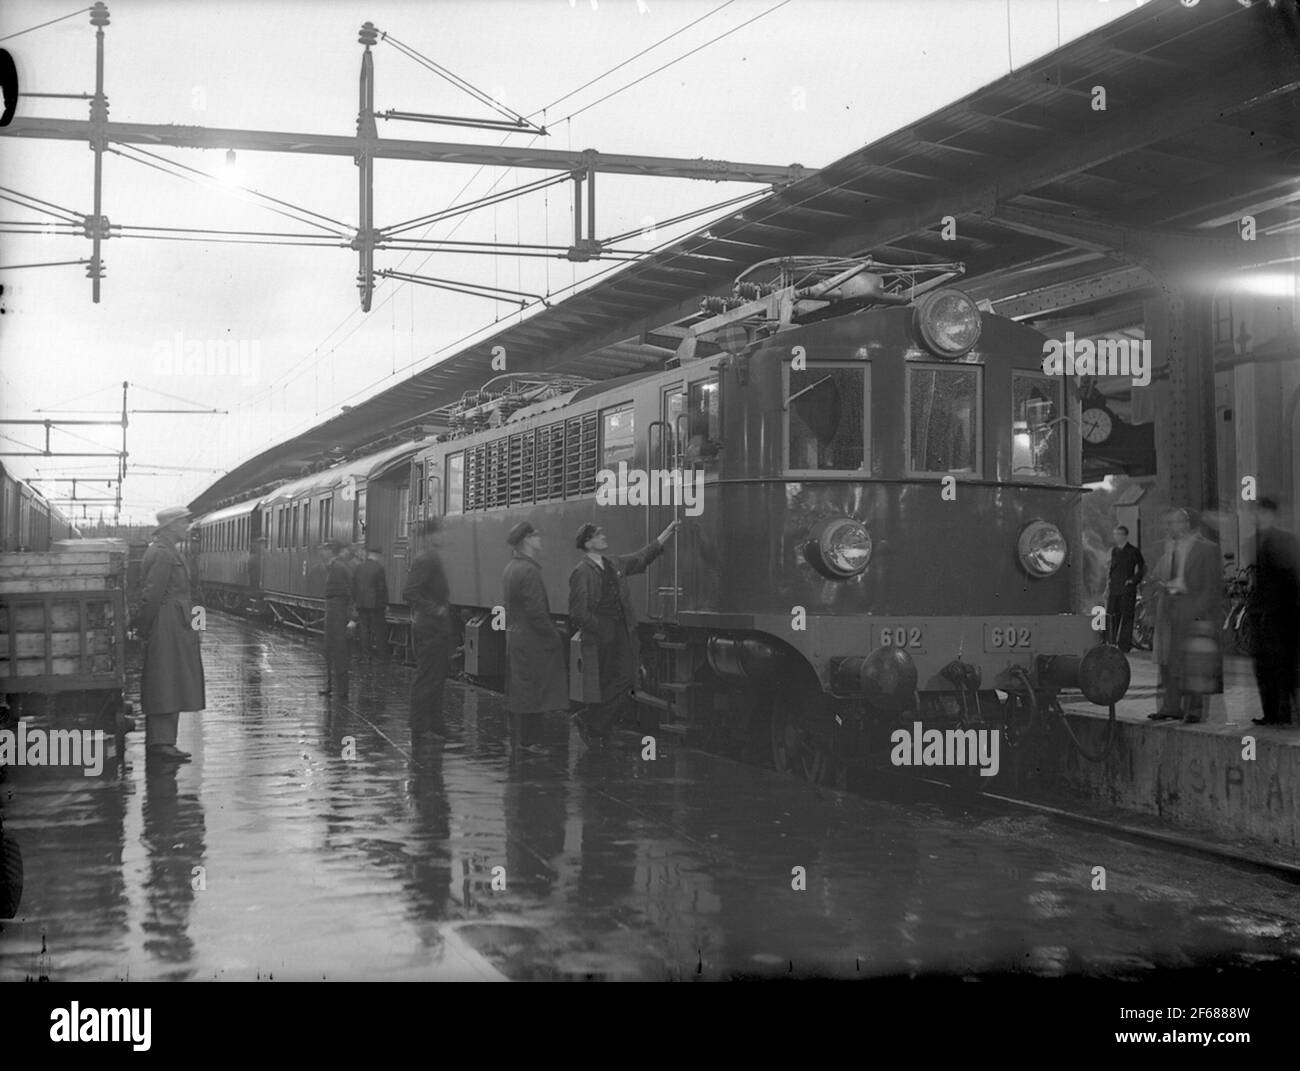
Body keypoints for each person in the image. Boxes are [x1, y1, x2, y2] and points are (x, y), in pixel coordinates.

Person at [568, 519, 680, 745]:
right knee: (606, 681)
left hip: (620, 631)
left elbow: (640, 557)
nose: (603, 536)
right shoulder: (582, 572)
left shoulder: (613, 563)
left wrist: (665, 535)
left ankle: (591, 721)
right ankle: (599, 729)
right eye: (598, 535)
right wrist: (601, 628)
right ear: (588, 543)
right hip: (601, 635)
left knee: (625, 678)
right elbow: (578, 612)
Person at [137, 506, 206, 763]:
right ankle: (161, 742)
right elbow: (152, 594)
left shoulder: (169, 551)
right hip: (167, 624)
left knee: (172, 680)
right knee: (165, 680)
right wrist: (144, 627)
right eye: (183, 523)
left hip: (176, 623)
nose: (187, 527)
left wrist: (196, 625)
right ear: (171, 526)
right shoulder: (162, 553)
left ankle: (165, 741)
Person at [1148, 507, 1221, 723]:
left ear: (1186, 523)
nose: (1170, 527)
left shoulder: (1207, 549)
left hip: (1194, 611)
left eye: (1174, 523)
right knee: (1171, 662)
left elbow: (1211, 586)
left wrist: (1196, 611)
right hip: (1172, 608)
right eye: (1168, 523)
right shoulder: (1169, 549)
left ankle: (1194, 710)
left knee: (1194, 662)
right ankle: (1170, 707)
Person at [502, 522, 568, 754]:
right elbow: (536, 612)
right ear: (526, 540)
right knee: (535, 689)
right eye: (536, 535)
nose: (540, 539)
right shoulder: (529, 571)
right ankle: (530, 741)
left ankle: (521, 739)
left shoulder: (511, 567)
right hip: (532, 638)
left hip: (518, 636)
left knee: (522, 688)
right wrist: (553, 635)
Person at [1249, 497, 1299, 727]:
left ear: (1270, 514)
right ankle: (1271, 713)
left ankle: (1282, 713)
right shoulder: (1258, 540)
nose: (1257, 516)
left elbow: (1292, 581)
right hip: (1264, 615)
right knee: (1264, 666)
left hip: (1280, 617)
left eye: (1260, 512)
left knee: (1281, 667)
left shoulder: (1284, 540)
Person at [403, 518, 453, 732]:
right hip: (429, 627)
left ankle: (435, 725)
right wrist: (435, 609)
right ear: (431, 536)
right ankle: (420, 727)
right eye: (440, 532)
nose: (444, 535)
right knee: (427, 678)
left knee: (436, 678)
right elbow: (409, 592)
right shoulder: (426, 559)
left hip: (435, 627)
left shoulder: (431, 557)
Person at [318, 540, 354, 697]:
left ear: (331, 552)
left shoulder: (339, 568)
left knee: (339, 652)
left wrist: (351, 618)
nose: (322, 552)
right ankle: (332, 686)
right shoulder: (334, 567)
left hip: (338, 614)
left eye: (325, 550)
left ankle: (341, 690)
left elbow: (350, 593)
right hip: (333, 612)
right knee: (329, 650)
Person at [1105, 524, 1146, 652]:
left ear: (1124, 535)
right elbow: (1112, 569)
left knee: (1127, 617)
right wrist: (1108, 585)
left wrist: (1133, 580)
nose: (1116, 537)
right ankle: (1110, 642)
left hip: (1127, 589)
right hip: (1114, 588)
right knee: (1112, 615)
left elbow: (1142, 567)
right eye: (1115, 534)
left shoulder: (1133, 551)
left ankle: (1124, 645)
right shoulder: (1115, 551)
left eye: (1118, 534)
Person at [352, 546, 389, 663]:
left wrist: (356, 601)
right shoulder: (379, 568)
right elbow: (381, 588)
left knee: (364, 630)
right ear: (377, 555)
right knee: (378, 631)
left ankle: (365, 655)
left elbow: (354, 586)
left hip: (361, 604)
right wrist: (385, 603)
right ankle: (381, 656)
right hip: (376, 605)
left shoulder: (359, 568)